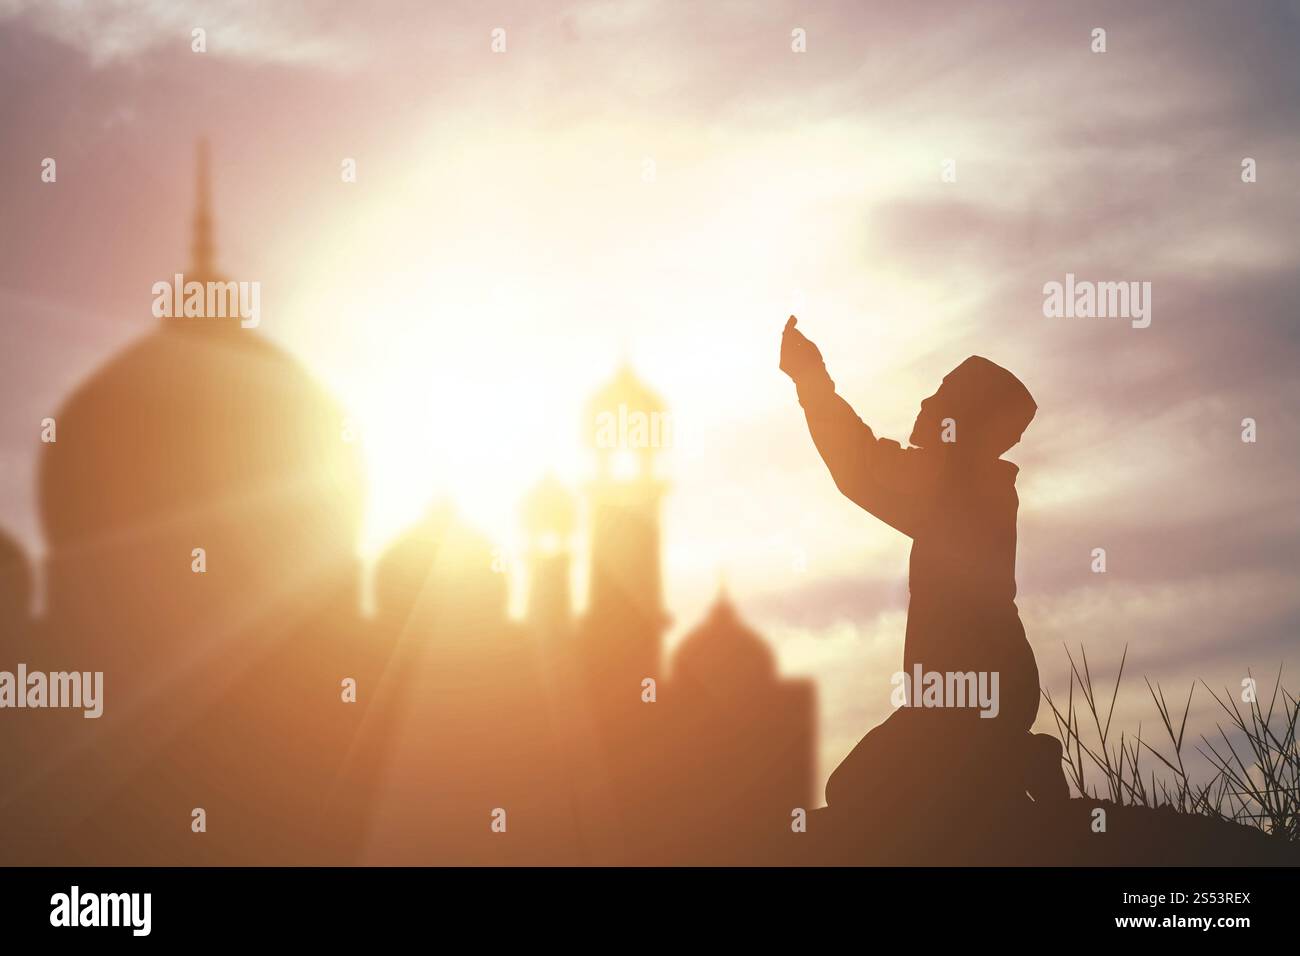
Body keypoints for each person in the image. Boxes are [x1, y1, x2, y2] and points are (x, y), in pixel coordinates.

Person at [779, 316, 1067, 813]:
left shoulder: (957, 485)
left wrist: (811, 380)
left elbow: (858, 465)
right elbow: (864, 466)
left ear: (967, 419)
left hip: (970, 691)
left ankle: (1015, 758)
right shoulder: (975, 485)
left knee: (858, 791)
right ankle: (1012, 759)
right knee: (881, 788)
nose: (926, 404)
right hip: (976, 691)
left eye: (942, 396)